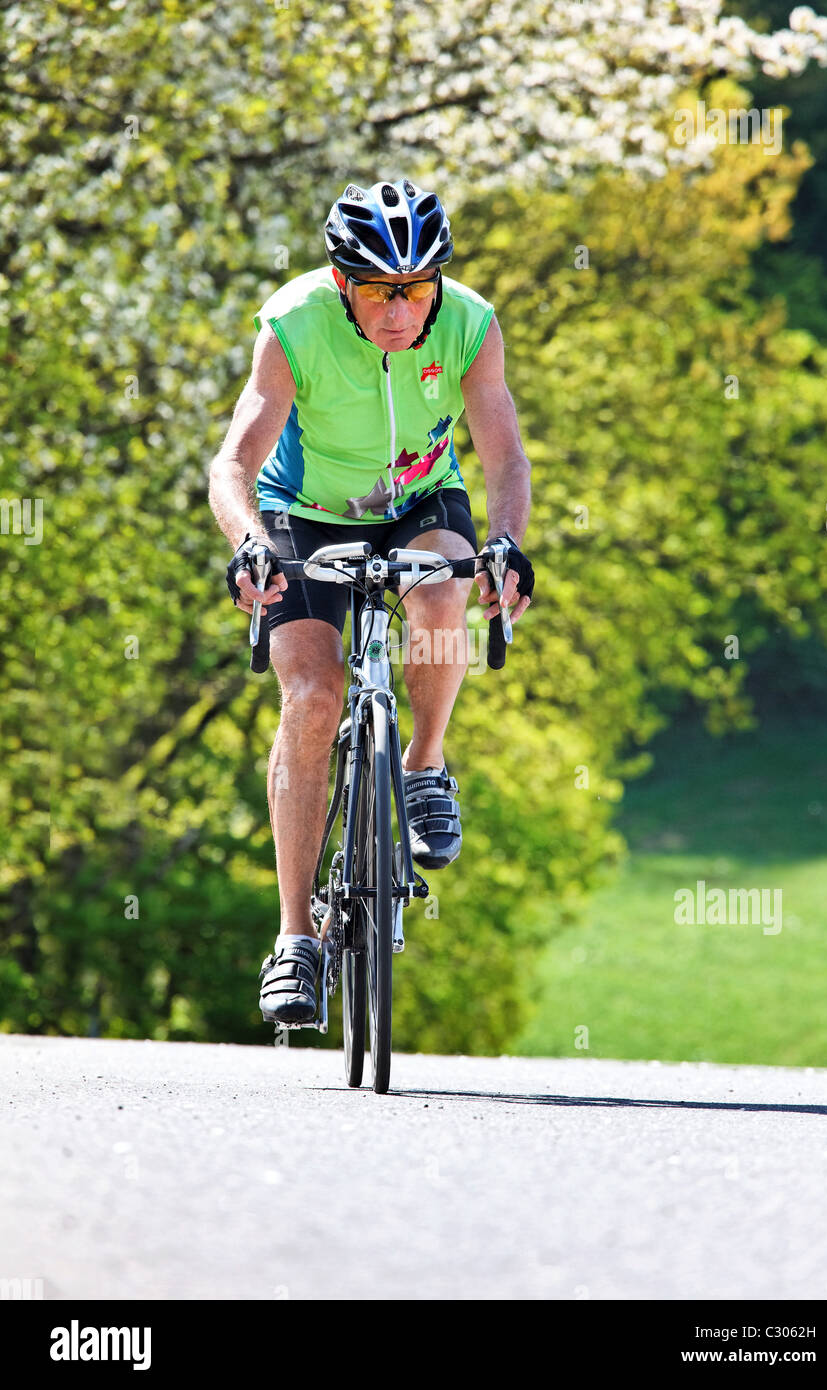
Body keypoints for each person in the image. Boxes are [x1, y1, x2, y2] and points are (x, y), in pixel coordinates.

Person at [209, 177, 533, 1024]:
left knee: (441, 592)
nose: (400, 311)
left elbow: (503, 454)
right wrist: (247, 539)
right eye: (379, 290)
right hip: (300, 516)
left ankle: (424, 765)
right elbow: (232, 465)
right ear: (342, 280)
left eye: (416, 289)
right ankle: (296, 939)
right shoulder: (293, 326)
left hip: (420, 503)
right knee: (313, 698)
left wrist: (507, 543)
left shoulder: (471, 323)